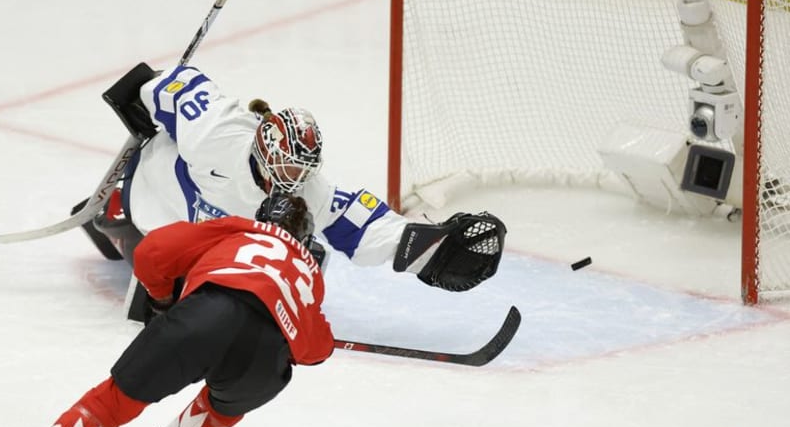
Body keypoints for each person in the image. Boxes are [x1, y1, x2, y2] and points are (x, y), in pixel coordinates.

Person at [83, 63, 505, 305]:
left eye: (302, 171)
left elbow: (363, 223)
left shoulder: (307, 188)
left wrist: (430, 249)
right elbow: (170, 87)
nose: (294, 182)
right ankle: (109, 220)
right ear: (264, 150)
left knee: (305, 256)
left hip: (196, 243)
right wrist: (148, 94)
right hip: (146, 201)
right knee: (141, 251)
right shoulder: (218, 131)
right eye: (286, 169)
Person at [29, 193, 332, 427]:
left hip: (206, 317)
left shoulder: (239, 228)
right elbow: (316, 350)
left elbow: (151, 253)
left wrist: (161, 301)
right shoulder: (310, 273)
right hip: (263, 360)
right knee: (221, 409)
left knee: (117, 400)